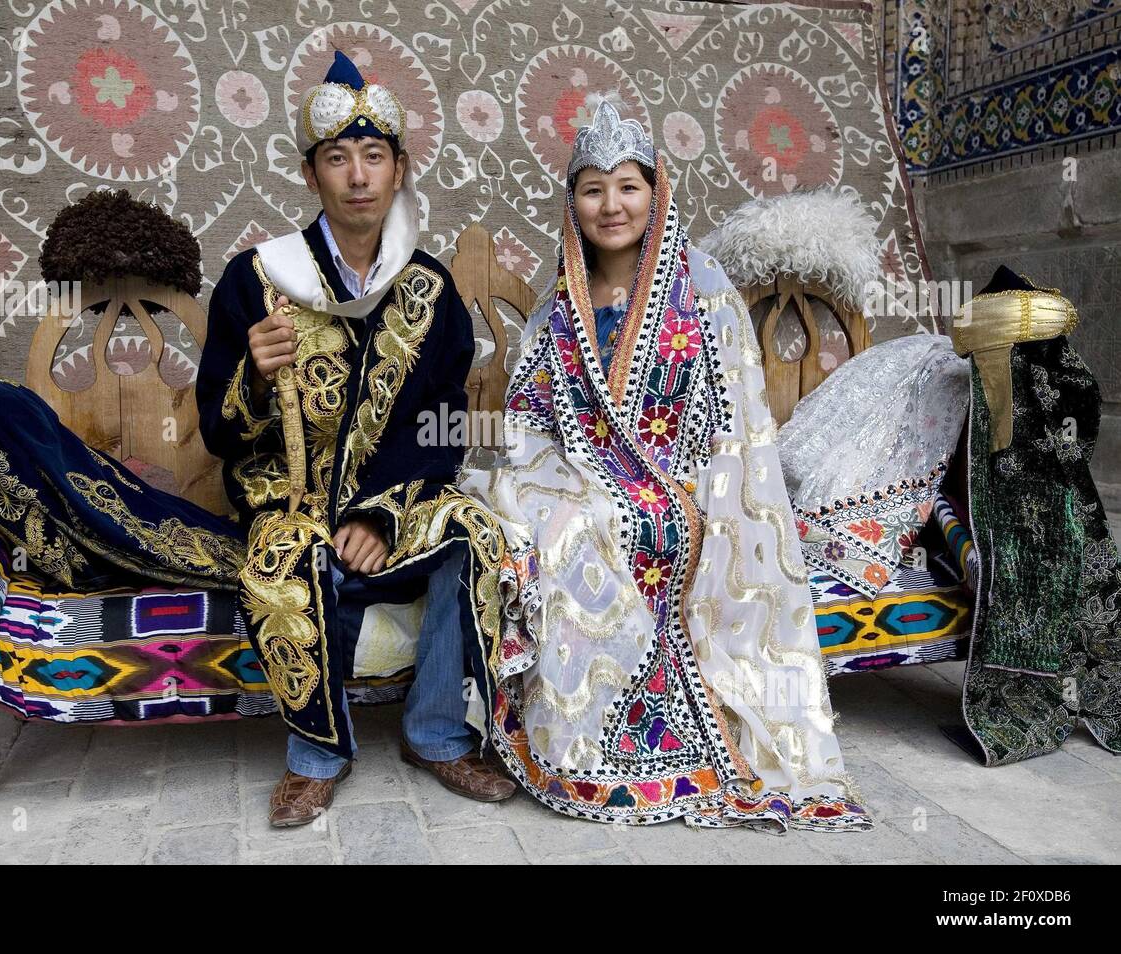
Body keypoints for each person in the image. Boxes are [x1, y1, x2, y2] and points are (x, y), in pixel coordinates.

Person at [463, 100, 872, 831]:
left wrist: (661, 484)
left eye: (628, 186)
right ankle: (575, 743)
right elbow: (528, 415)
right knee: (554, 526)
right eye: (592, 188)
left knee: (626, 523)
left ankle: (673, 735)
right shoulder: (562, 301)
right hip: (583, 480)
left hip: (683, 486)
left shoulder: (703, 291)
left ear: (656, 193)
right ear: (572, 203)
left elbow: (732, 421)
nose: (610, 204)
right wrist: (561, 476)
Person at [195, 50, 515, 828]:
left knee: (477, 536)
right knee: (283, 565)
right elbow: (216, 431)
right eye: (338, 158)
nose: (359, 175)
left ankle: (437, 734)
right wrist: (257, 377)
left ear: (400, 168)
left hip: (393, 501)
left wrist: (377, 515)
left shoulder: (431, 291)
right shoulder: (256, 279)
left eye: (374, 156)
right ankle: (316, 757)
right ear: (312, 176)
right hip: (291, 500)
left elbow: (442, 428)